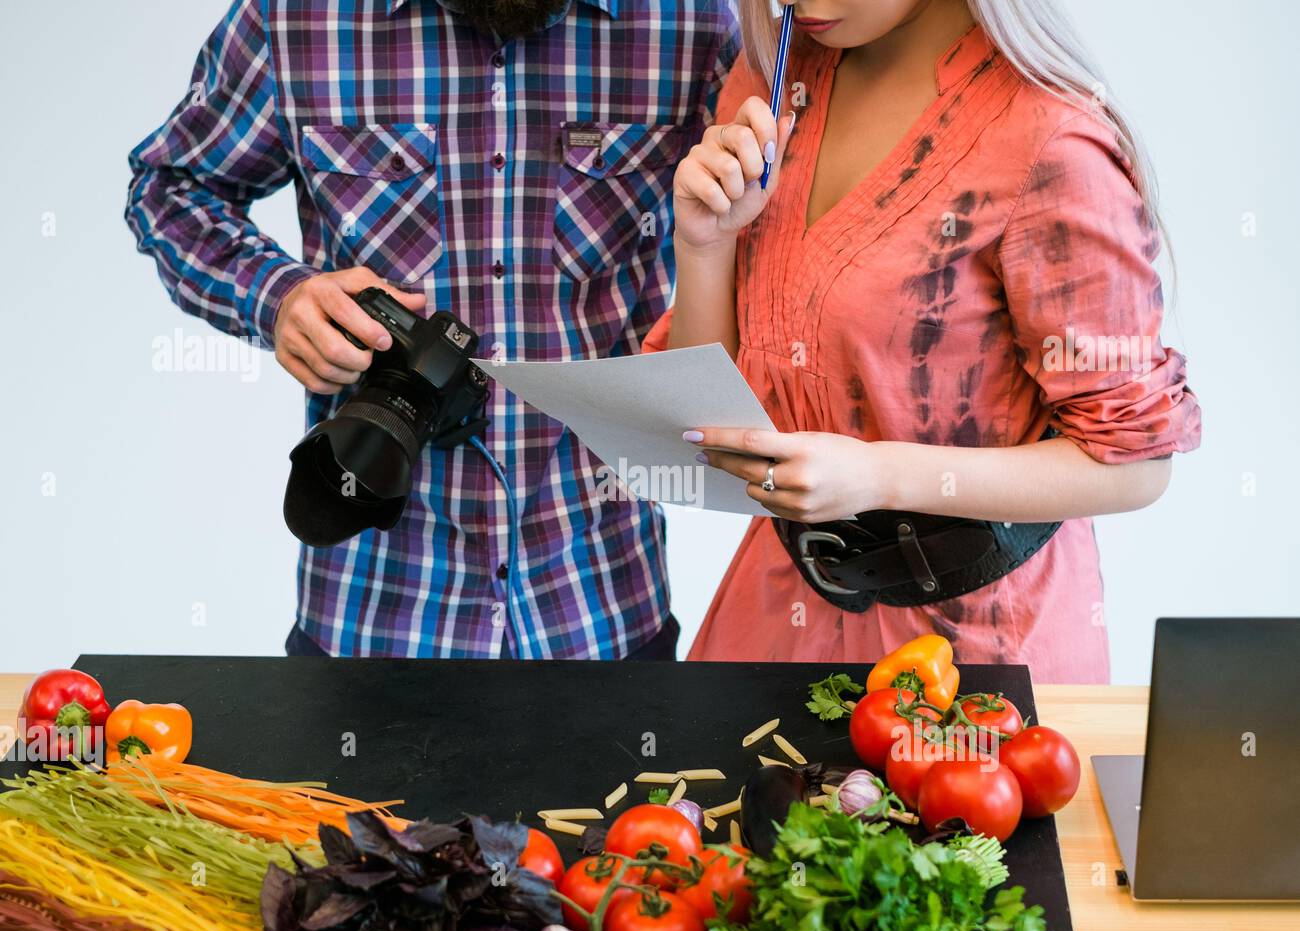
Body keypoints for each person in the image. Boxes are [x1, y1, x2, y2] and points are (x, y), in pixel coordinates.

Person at [125, 0, 740, 660]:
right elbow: (171, 188)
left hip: (601, 605)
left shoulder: (692, 24)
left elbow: (774, 245)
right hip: (374, 612)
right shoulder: (293, 18)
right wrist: (277, 299)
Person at [646, 0, 1201, 682]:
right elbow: (715, 417)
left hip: (973, 659)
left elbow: (1136, 465)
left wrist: (878, 475)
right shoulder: (772, 82)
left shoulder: (1051, 140)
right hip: (772, 617)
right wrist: (705, 244)